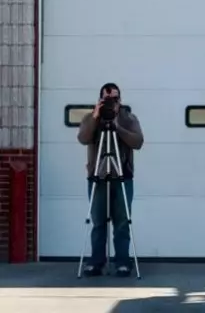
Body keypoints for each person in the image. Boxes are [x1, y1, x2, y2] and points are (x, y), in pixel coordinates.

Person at [77, 83, 144, 277]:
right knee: (98, 222)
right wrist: (96, 117)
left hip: (122, 177)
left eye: (114, 99)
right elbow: (83, 138)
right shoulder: (91, 118)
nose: (110, 103)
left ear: (120, 100)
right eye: (106, 99)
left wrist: (117, 127)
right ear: (99, 100)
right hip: (98, 177)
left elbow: (138, 142)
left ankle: (122, 262)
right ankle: (96, 262)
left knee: (122, 222)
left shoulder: (128, 118)